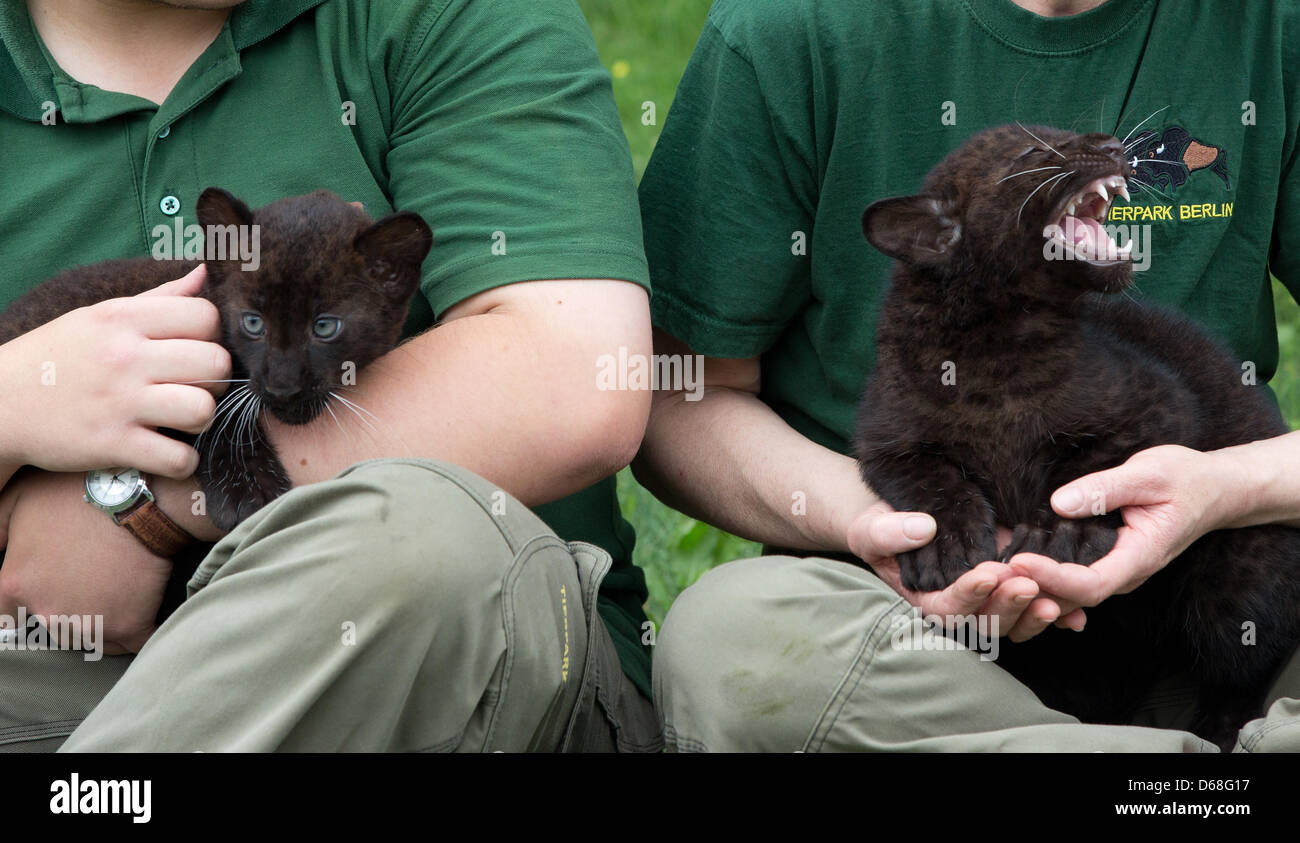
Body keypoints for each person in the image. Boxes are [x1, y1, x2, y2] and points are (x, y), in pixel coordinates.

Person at [635, 0, 1300, 751]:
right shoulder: (793, 29)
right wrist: (875, 525)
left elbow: (1170, 421)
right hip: (912, 646)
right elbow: (681, 390)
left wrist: (1225, 490)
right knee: (729, 640)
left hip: (1206, 626)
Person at [0, 0, 661, 752]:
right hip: (59, 663)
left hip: (434, 669)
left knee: (416, 538)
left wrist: (138, 506)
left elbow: (576, 383)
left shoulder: (436, 17)